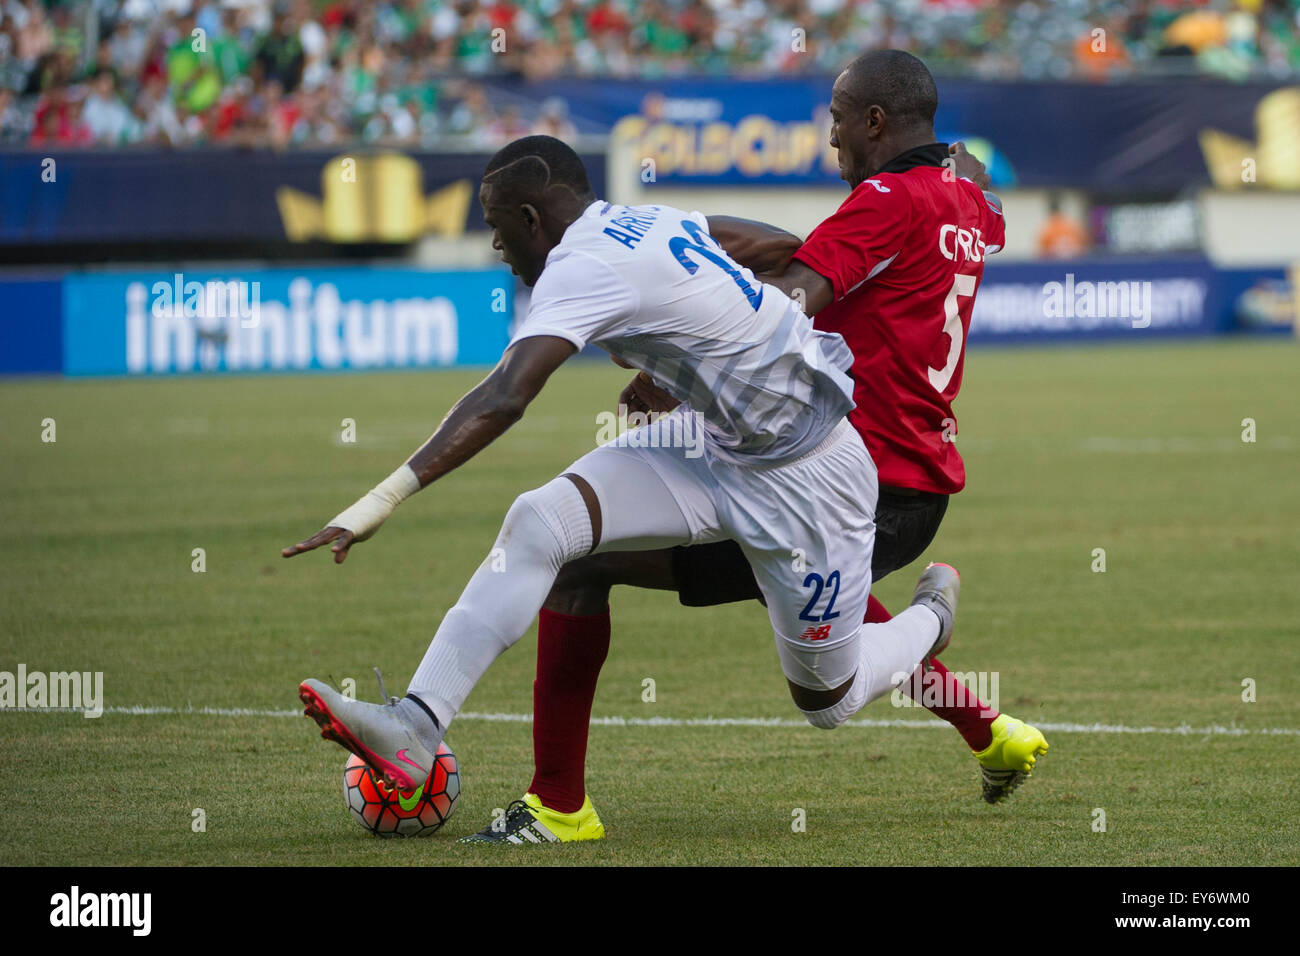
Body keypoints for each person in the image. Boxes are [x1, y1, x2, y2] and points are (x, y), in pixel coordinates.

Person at [284, 136, 963, 834]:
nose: (495, 246)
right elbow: (774, 245)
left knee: (828, 699)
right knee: (543, 523)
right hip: (715, 442)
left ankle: (932, 619)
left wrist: (382, 498)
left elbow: (506, 396)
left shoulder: (580, 266)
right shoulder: (645, 218)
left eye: (495, 227)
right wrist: (703, 346)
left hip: (809, 477)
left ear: (530, 216)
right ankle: (417, 725)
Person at [458, 50, 1049, 845]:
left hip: (845, 472)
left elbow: (782, 308)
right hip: (899, 475)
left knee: (590, 562)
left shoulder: (883, 202)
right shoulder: (966, 199)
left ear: (876, 121)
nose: (831, 134)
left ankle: (560, 804)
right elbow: (968, 206)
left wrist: (672, 368)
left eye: (839, 116)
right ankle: (989, 728)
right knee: (808, 601)